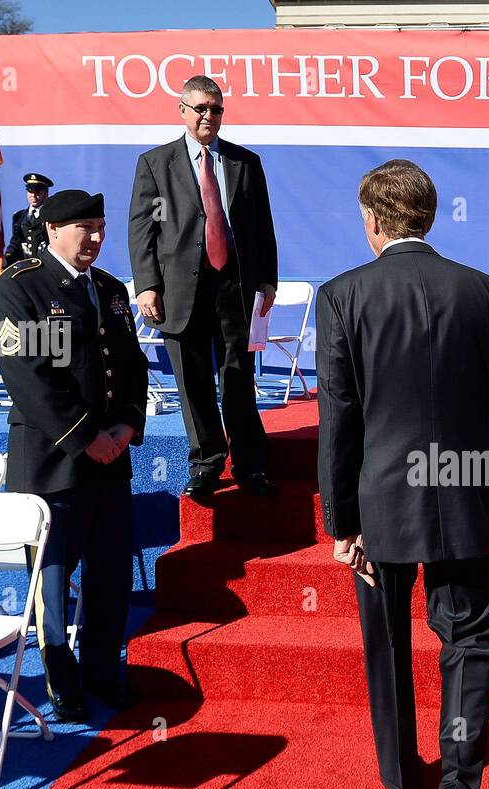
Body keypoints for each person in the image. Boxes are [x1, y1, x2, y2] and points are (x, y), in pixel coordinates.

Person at [317, 159, 489, 789]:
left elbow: (338, 416)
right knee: (469, 647)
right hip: (464, 496)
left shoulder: (342, 295)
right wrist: (483, 483)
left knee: (390, 644)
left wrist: (341, 518)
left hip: (381, 504)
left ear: (373, 221)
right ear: (429, 217)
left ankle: (403, 778)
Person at [0, 189, 149, 725]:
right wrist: (88, 438)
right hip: (55, 459)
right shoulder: (24, 285)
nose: (97, 238)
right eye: (85, 227)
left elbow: (131, 364)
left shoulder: (108, 290)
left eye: (101, 227)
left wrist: (127, 423)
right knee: (53, 577)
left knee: (111, 575)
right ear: (54, 230)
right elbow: (29, 378)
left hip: (112, 456)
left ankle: (104, 672)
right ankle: (63, 682)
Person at [129, 74, 279, 500]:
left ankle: (252, 466)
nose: (209, 116)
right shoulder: (155, 164)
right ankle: (206, 465)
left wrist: (267, 277)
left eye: (216, 109)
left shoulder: (245, 163)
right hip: (179, 290)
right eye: (201, 108)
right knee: (192, 385)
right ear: (182, 111)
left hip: (236, 287)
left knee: (238, 379)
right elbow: (142, 229)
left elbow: (261, 226)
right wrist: (147, 285)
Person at [6, 173, 52, 261]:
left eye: (38, 192)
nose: (33, 196)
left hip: (46, 265)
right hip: (26, 265)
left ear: (46, 194)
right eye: (30, 191)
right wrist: (7, 257)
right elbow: (16, 242)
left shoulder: (51, 215)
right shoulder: (19, 216)